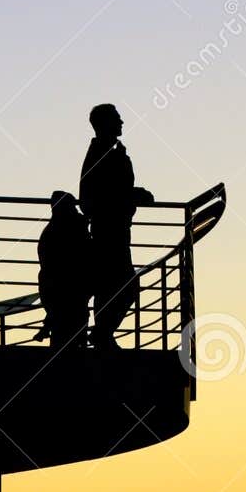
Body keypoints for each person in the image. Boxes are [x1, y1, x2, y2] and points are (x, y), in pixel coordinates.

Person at [79, 104, 153, 348]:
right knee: (120, 285)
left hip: (117, 228)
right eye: (117, 119)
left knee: (112, 285)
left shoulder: (110, 151)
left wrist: (132, 195)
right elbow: (96, 195)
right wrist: (132, 195)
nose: (122, 123)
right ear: (105, 123)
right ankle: (102, 334)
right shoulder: (102, 153)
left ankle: (103, 333)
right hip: (109, 230)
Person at [37, 190, 92, 351]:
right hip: (73, 293)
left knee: (61, 337)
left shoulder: (50, 233)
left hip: (56, 293)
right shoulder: (72, 230)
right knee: (73, 333)